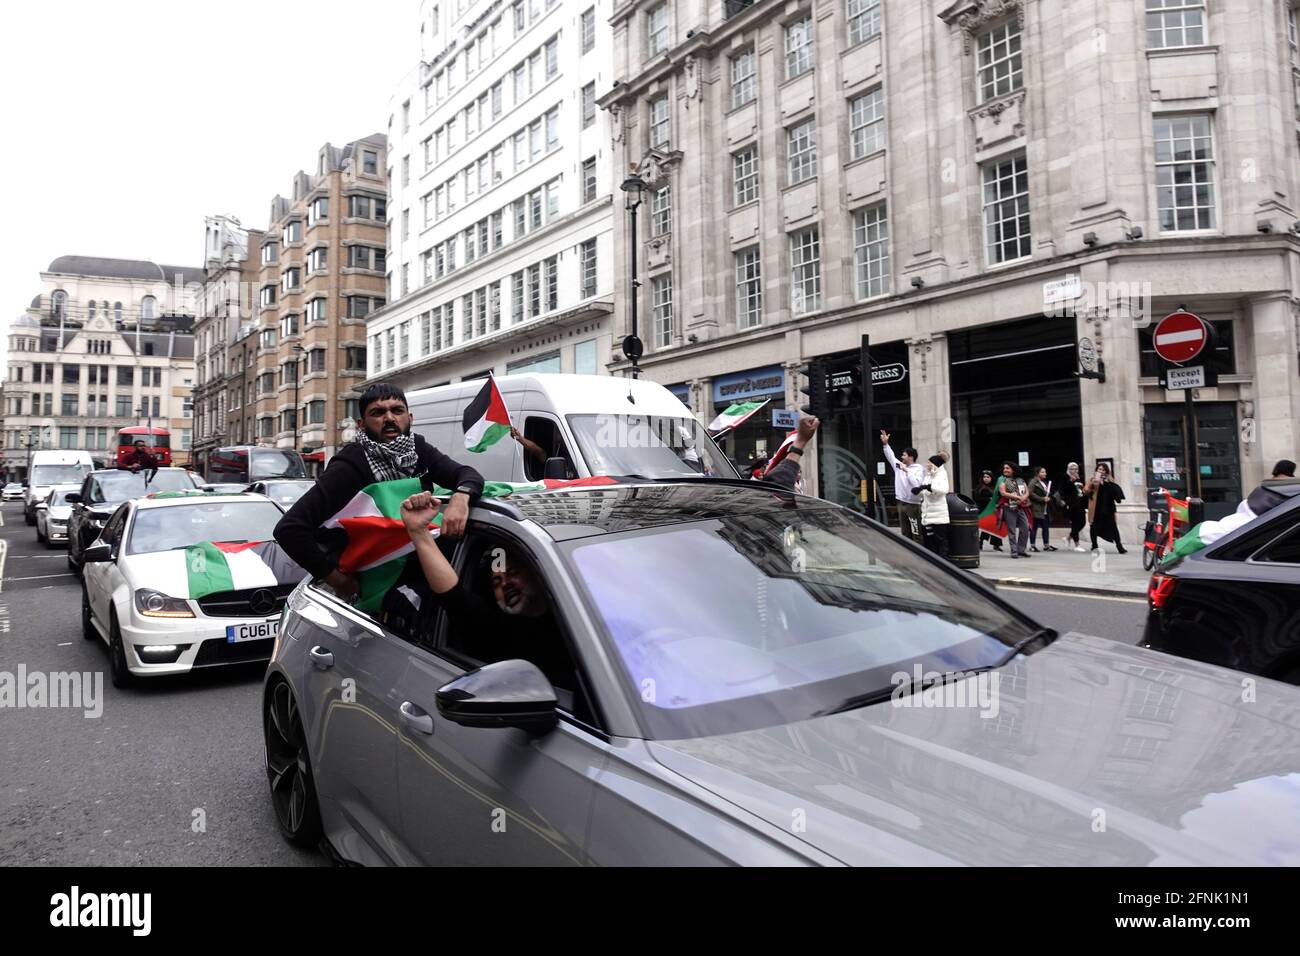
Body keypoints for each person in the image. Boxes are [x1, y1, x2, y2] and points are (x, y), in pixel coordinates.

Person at [274, 382, 485, 602]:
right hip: (380, 590)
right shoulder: (348, 467)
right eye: (378, 413)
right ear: (362, 424)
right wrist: (340, 581)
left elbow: (467, 475)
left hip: (426, 570)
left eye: (397, 410)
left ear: (410, 418)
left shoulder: (419, 449)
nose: (390, 418)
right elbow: (289, 529)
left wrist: (461, 498)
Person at [399, 490, 574, 691]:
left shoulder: (576, 613)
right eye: (497, 582)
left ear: (537, 576)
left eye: (513, 572)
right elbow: (453, 597)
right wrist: (419, 533)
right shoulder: (495, 629)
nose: (505, 584)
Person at [880, 430, 926, 545]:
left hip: (913, 505)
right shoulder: (899, 466)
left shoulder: (919, 469)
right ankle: (909, 554)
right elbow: (891, 457)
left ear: (911, 457)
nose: (901, 457)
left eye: (904, 455)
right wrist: (885, 444)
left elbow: (916, 485)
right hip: (901, 502)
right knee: (905, 532)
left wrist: (907, 471)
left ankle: (920, 555)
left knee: (916, 532)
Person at [763, 415, 819, 492]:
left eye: (799, 472)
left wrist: (799, 442)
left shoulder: (802, 483)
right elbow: (780, 483)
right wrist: (800, 442)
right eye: (797, 472)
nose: (798, 474)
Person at [913, 453, 951, 558]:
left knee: (940, 539)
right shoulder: (928, 475)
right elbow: (925, 492)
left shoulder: (941, 474)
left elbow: (943, 490)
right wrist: (920, 490)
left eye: (929, 463)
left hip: (938, 515)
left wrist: (929, 487)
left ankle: (944, 561)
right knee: (930, 540)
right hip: (927, 514)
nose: (927, 464)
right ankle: (933, 560)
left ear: (935, 464)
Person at [1084, 462, 1126, 554]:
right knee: (1093, 527)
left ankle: (1119, 546)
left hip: (1109, 508)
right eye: (1099, 469)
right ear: (1096, 470)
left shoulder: (1109, 480)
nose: (1101, 471)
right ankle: (1094, 545)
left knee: (1113, 527)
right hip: (1096, 509)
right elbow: (1086, 491)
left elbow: (1115, 493)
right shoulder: (1092, 480)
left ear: (1106, 471)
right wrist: (1094, 483)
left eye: (1103, 470)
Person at [509, 425, 575, 479]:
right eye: (558, 433)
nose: (558, 438)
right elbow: (536, 450)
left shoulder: (577, 455)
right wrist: (520, 438)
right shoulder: (556, 453)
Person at [998, 462, 1032, 559]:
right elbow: (1003, 493)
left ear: (1013, 469)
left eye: (1008, 468)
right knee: (1011, 530)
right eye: (1004, 468)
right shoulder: (1002, 480)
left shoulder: (1021, 480)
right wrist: (1017, 497)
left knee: (1025, 527)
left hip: (1020, 507)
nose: (1005, 470)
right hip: (1009, 507)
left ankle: (1021, 550)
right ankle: (1014, 551)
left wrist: (1023, 498)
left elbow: (1027, 491)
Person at [1060, 462, 1088, 552]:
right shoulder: (1065, 477)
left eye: (1076, 469)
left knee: (1082, 522)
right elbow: (1063, 490)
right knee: (1075, 523)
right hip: (1072, 504)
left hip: (1080, 503)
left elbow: (1081, 490)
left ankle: (1068, 538)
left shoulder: (1079, 478)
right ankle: (1077, 544)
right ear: (1068, 469)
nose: (1074, 470)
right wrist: (1070, 481)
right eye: (1072, 469)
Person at [973, 469, 1003, 552]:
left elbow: (999, 497)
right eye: (984, 477)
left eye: (988, 477)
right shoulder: (979, 487)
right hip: (984, 509)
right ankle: (981, 542)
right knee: (988, 527)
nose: (985, 478)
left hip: (994, 509)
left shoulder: (995, 487)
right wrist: (989, 499)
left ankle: (995, 544)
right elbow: (977, 498)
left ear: (991, 478)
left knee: (994, 527)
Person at [1028, 466, 1057, 552]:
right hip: (1037, 508)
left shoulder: (1044, 482)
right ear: (1037, 473)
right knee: (1034, 527)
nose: (1045, 474)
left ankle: (1046, 545)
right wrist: (1042, 498)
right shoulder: (1033, 482)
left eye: (1045, 472)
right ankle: (1032, 546)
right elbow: (1030, 493)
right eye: (1043, 472)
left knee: (1045, 527)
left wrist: (1048, 498)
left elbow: (1046, 494)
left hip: (1045, 508)